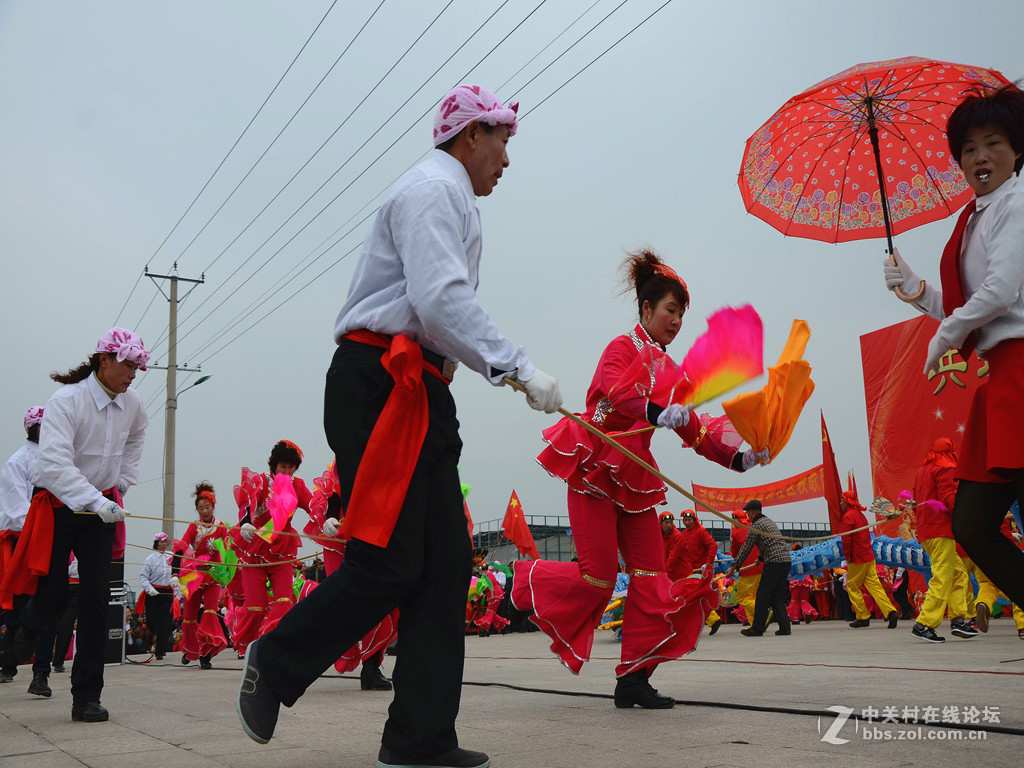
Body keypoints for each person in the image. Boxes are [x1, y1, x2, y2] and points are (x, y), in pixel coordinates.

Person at [236, 84, 561, 768]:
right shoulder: (430, 191)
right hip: (381, 383)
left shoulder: (455, 201)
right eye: (501, 139)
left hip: (421, 389)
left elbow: (441, 312)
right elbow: (439, 302)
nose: (507, 156)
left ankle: (418, 738)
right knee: (388, 561)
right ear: (469, 135)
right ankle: (276, 656)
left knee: (444, 568)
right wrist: (518, 368)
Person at [511, 249, 768, 709]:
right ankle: (528, 580)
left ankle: (633, 678)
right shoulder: (621, 348)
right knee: (599, 579)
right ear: (647, 309)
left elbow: (696, 428)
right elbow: (616, 392)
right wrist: (654, 410)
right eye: (671, 310)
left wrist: (741, 457)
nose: (676, 321)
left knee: (653, 581)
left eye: (682, 314)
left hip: (636, 482)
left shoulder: (671, 371)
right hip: (594, 469)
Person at [883, 83, 1024, 610]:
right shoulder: (976, 217)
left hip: (1023, 372)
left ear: (1017, 150)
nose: (980, 156)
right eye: (968, 147)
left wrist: (943, 335)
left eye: (992, 142)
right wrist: (917, 290)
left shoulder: (1016, 205)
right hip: (1001, 382)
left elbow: (1001, 292)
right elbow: (972, 308)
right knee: (970, 525)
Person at [6, 327, 149, 723]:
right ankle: (28, 628)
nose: (133, 373)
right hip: (60, 505)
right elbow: (51, 466)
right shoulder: (66, 401)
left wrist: (120, 484)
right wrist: (93, 500)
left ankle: (86, 695)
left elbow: (137, 439)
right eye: (127, 364)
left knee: (95, 599)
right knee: (52, 594)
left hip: (100, 507)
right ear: (104, 360)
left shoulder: (133, 404)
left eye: (138, 366)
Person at [229, 440, 313, 654]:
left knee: (284, 602)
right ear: (274, 465)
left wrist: (331, 520)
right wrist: (245, 523)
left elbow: (313, 507)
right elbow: (248, 503)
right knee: (256, 608)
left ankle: (276, 648)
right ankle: (250, 647)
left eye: (290, 467)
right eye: (282, 466)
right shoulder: (260, 482)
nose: (286, 471)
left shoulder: (298, 486)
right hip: (255, 547)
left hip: (282, 550)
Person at [0, 406, 59, 696]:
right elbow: (16, 510)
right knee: (18, 610)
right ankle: (8, 664)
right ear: (32, 428)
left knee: (48, 606)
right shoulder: (17, 462)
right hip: (23, 543)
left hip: (52, 542)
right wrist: (44, 528)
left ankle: (41, 674)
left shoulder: (59, 458)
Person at [905, 438, 976, 643]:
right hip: (941, 530)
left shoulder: (923, 471)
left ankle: (959, 619)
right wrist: (968, 513)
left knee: (958, 573)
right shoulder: (945, 468)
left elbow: (917, 500)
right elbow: (948, 496)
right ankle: (924, 624)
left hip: (928, 531)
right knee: (942, 578)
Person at [174, 482, 229, 669]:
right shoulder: (193, 527)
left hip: (213, 574)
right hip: (194, 573)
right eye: (201, 508)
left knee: (210, 612)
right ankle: (190, 650)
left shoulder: (221, 527)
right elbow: (180, 547)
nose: (204, 511)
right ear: (196, 509)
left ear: (213, 506)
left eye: (207, 507)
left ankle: (206, 652)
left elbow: (229, 548)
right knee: (188, 617)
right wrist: (175, 573)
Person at [724, 500, 792, 637]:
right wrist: (760, 559)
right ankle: (785, 627)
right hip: (785, 561)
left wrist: (733, 567)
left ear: (752, 512)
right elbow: (770, 543)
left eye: (748, 513)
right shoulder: (769, 522)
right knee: (777, 596)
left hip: (773, 562)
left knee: (762, 595)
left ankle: (757, 628)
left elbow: (747, 547)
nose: (747, 516)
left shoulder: (757, 525)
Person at [838, 491, 899, 629]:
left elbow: (846, 540)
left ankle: (862, 616)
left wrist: (848, 557)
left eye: (841, 500)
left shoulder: (848, 517)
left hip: (858, 559)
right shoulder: (860, 515)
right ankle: (890, 612)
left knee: (852, 586)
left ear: (847, 501)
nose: (840, 503)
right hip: (869, 557)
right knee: (875, 586)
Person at [677, 511, 724, 634]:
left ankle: (712, 620)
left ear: (694, 520)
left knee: (695, 599)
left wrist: (707, 564)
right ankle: (711, 620)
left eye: (689, 520)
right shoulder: (683, 534)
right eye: (685, 520)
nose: (687, 522)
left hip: (700, 572)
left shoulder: (701, 531)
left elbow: (713, 546)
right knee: (695, 599)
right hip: (689, 572)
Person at [139, 532, 175, 659]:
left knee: (165, 623)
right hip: (154, 594)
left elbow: (178, 573)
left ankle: (160, 651)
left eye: (166, 542)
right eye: (161, 542)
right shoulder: (150, 559)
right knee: (152, 622)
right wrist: (150, 590)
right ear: (156, 543)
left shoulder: (172, 556)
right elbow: (143, 577)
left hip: (167, 593)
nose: (164, 544)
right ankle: (148, 645)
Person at [729, 508, 763, 625]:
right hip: (760, 567)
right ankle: (756, 624)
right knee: (753, 597)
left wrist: (734, 565)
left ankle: (764, 612)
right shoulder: (754, 527)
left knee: (742, 598)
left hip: (747, 569)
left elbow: (734, 552)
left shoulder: (736, 532)